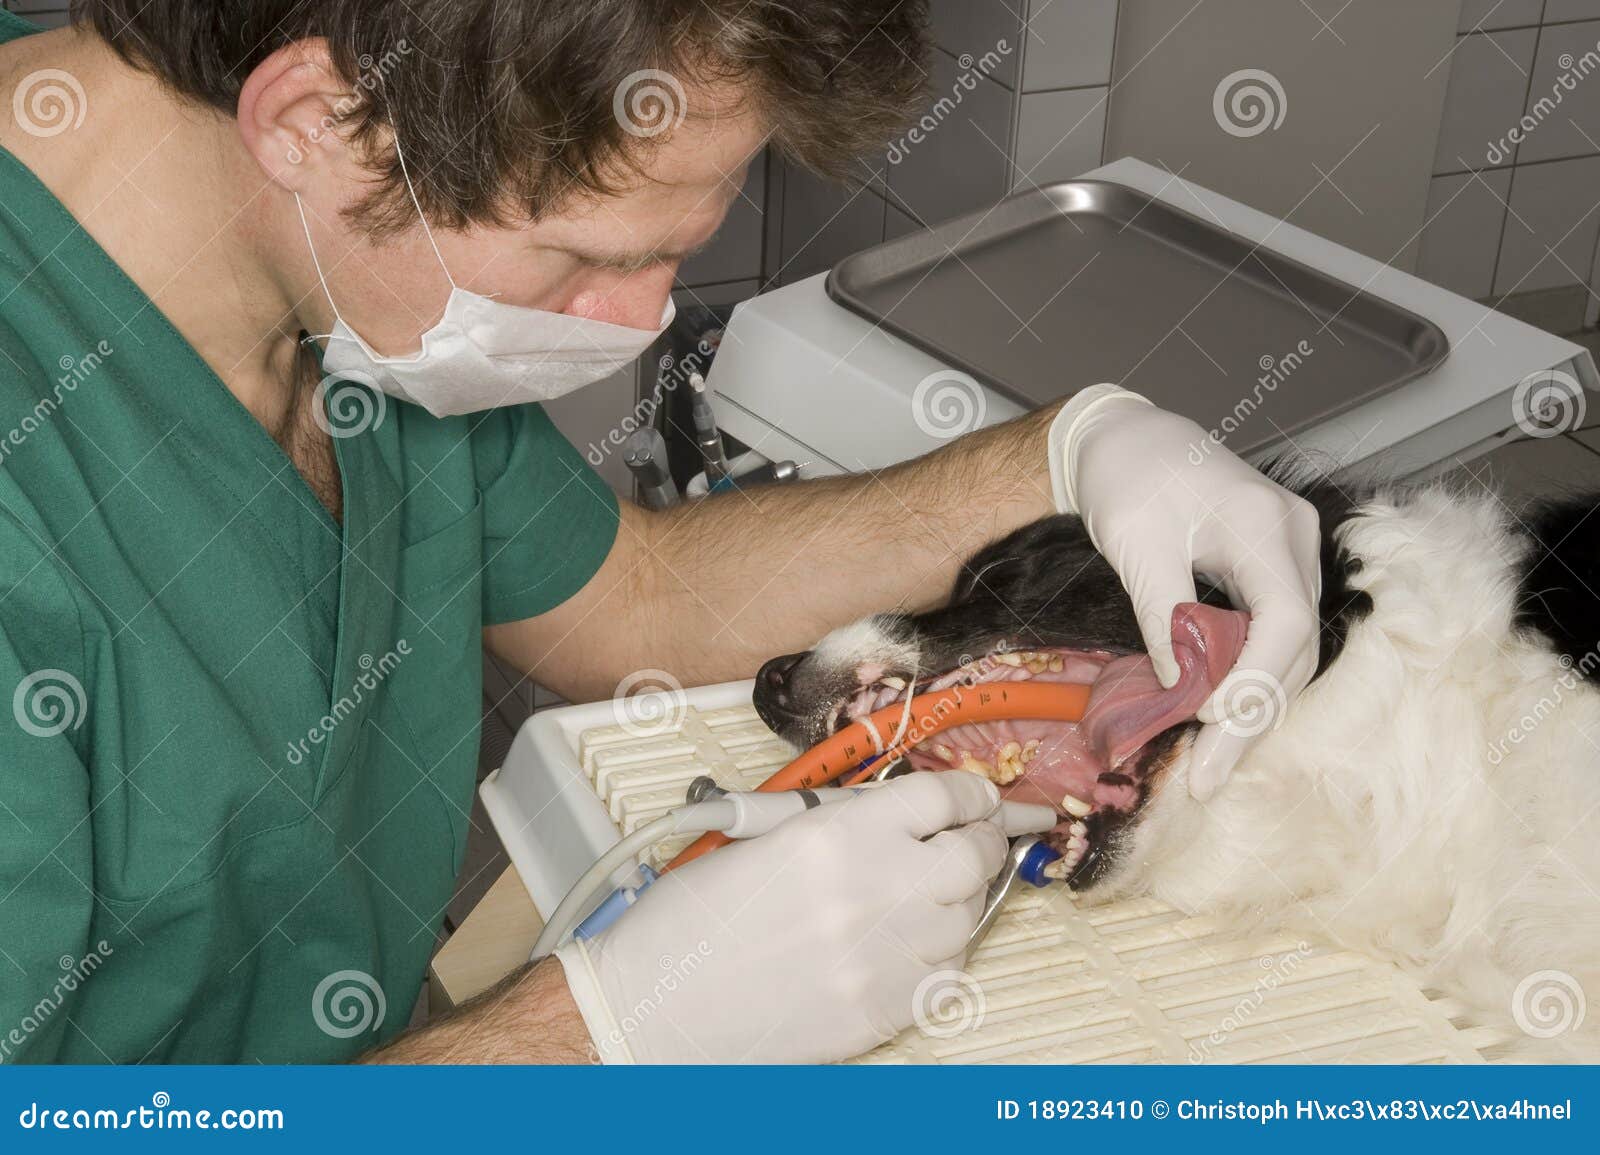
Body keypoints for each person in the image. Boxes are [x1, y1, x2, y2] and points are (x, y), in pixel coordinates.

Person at [0, 2, 1319, 1064]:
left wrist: (1068, 458)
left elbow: (633, 602)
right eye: (582, 256)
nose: (637, 323)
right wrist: (597, 1033)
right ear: (312, 121)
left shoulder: (341, 298)